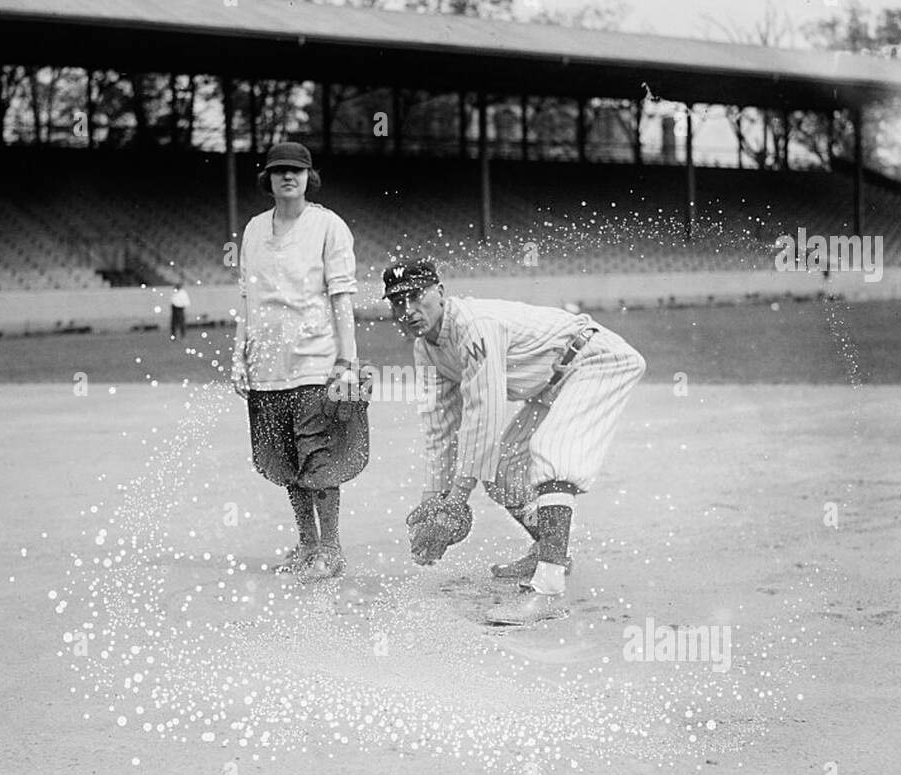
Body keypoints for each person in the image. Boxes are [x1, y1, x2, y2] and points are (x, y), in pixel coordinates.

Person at [383, 260, 646, 625]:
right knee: (503, 469)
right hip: (552, 381)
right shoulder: (425, 350)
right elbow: (440, 429)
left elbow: (484, 414)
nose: (408, 310)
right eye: (397, 301)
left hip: (596, 358)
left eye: (416, 296)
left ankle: (548, 592)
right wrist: (433, 500)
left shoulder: (473, 328)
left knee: (553, 455)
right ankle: (549, 550)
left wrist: (457, 498)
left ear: (440, 293)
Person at [231, 142, 369, 581]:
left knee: (318, 456)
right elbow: (247, 298)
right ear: (267, 180)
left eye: (296, 170)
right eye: (279, 171)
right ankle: (307, 543)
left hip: (315, 361)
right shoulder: (253, 230)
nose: (288, 177)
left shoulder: (328, 226)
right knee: (286, 459)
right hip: (268, 366)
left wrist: (347, 358)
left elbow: (341, 294)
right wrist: (240, 355)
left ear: (310, 177)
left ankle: (331, 547)